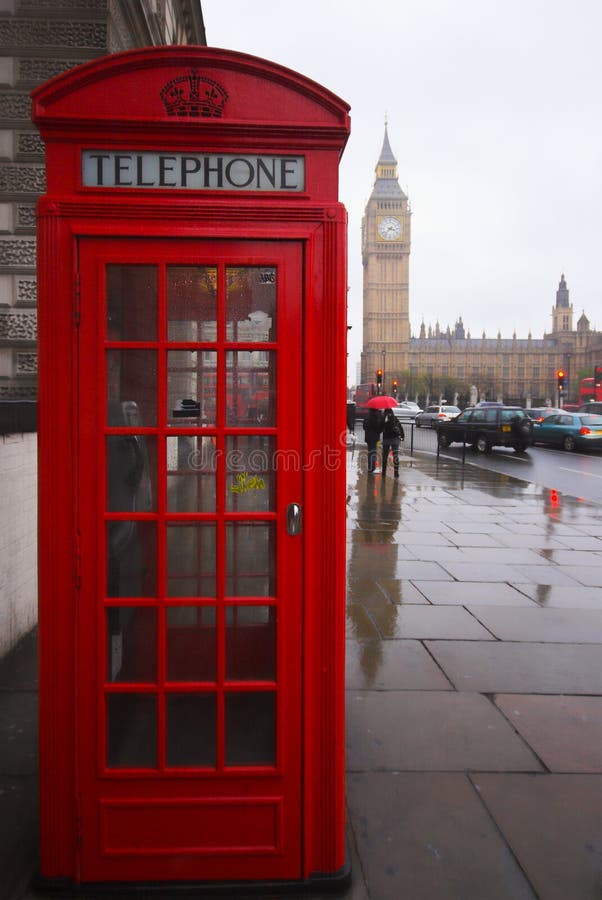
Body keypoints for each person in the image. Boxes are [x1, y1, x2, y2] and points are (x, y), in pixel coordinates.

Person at [381, 408, 404, 477]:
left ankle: (383, 472)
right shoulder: (395, 418)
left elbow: (380, 428)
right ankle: (396, 473)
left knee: (385, 455)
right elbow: (400, 427)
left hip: (386, 439)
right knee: (395, 455)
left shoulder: (384, 419)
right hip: (395, 439)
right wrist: (402, 436)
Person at [363, 407, 384, 473]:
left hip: (368, 437)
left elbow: (364, 427)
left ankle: (370, 468)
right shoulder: (377, 417)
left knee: (370, 452)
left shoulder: (367, 416)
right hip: (375, 437)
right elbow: (380, 428)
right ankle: (373, 467)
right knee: (373, 452)